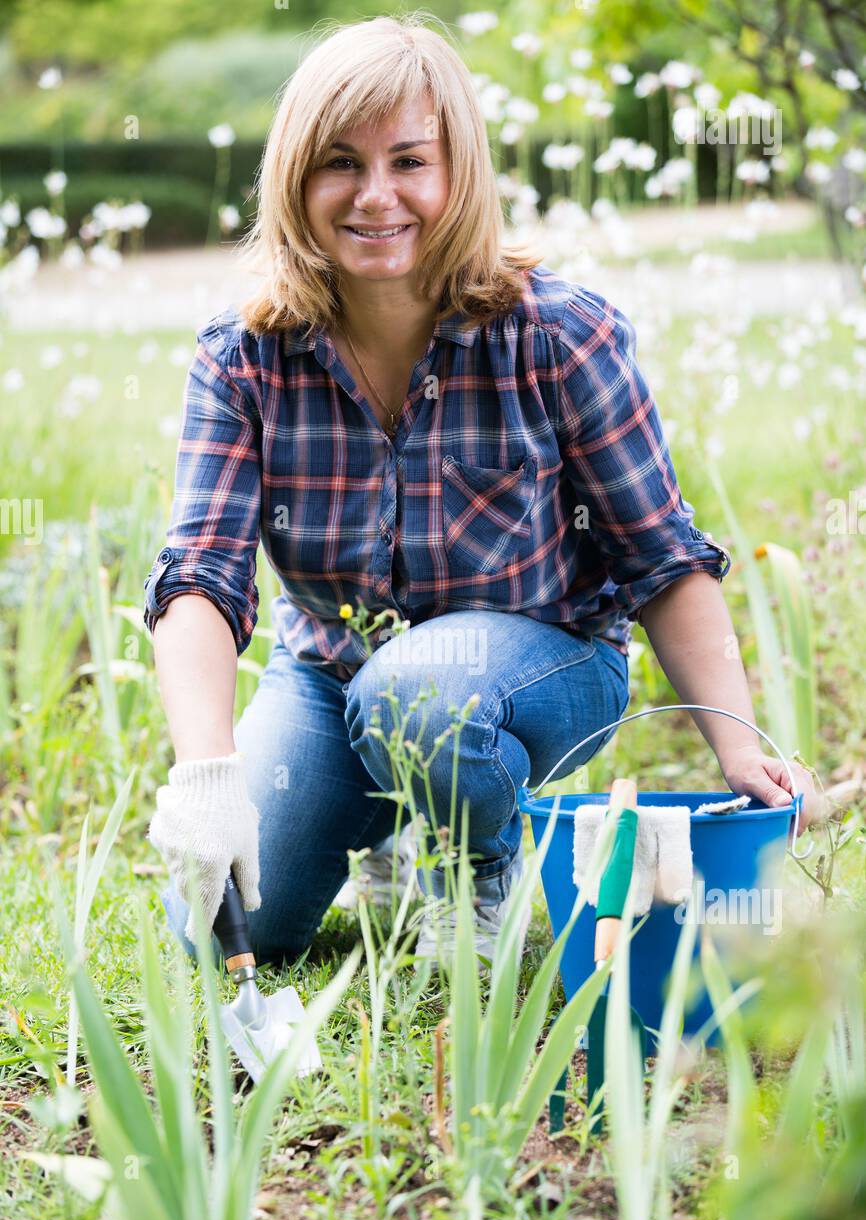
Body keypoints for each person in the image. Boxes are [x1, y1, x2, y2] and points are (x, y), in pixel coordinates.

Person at [145, 15, 820, 971]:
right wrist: (209, 782)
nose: (376, 196)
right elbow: (200, 575)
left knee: (416, 692)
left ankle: (473, 868)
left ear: (458, 173)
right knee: (222, 930)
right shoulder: (244, 357)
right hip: (332, 674)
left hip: (546, 668)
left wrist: (736, 744)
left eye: (409, 161)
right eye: (341, 162)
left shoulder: (559, 336)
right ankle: (383, 822)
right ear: (296, 176)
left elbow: (659, 555)